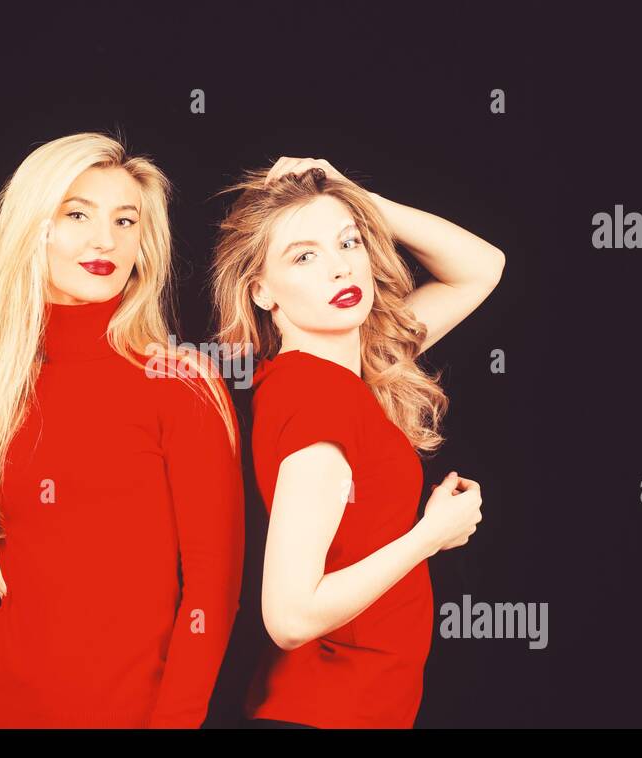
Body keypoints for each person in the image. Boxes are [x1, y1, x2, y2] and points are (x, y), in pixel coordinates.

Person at [0, 133, 244, 728]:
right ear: (34, 228)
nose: (105, 239)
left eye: (125, 222)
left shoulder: (177, 381)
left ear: (144, 247)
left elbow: (213, 591)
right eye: (77, 214)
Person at [209, 157, 504, 728]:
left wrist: (353, 195)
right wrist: (430, 536)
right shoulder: (318, 401)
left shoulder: (359, 370)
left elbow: (482, 267)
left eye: (349, 244)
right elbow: (290, 616)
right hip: (323, 712)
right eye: (304, 256)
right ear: (261, 291)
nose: (340, 270)